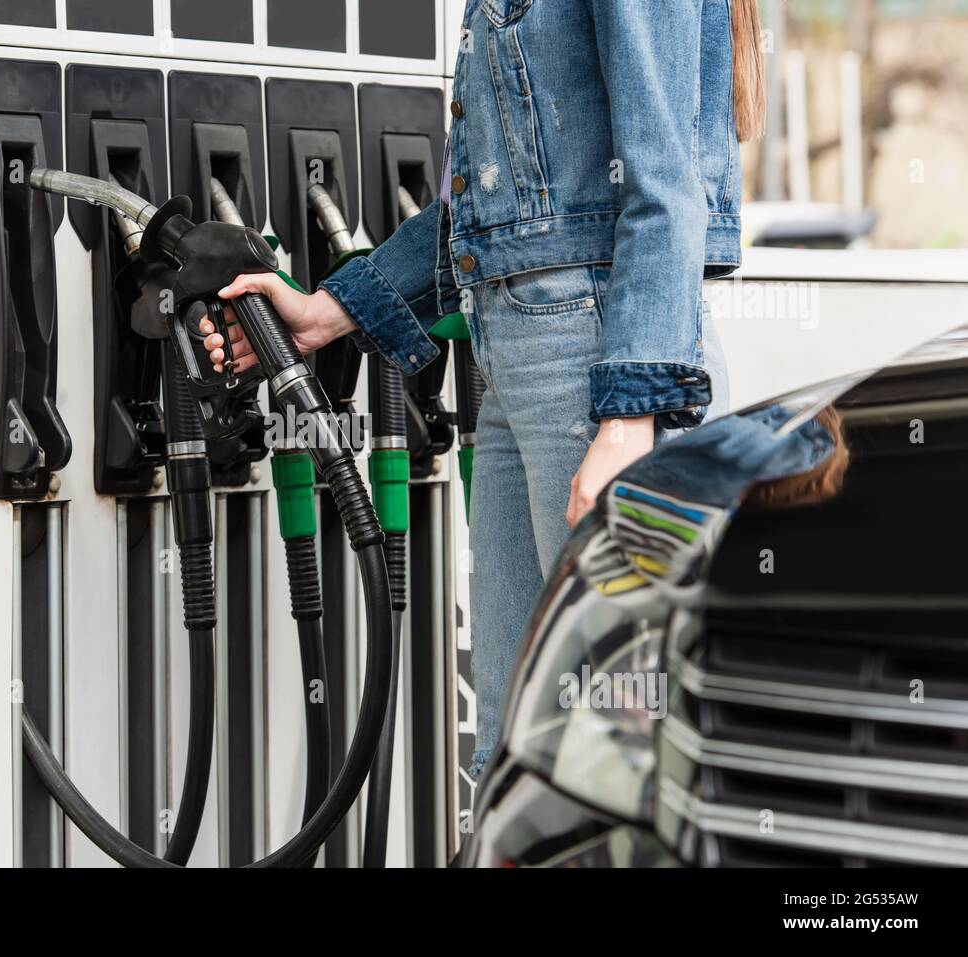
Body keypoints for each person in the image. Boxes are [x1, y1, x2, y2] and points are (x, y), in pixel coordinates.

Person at [202, 0, 766, 776]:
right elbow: (485, 220)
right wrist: (326, 312)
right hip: (516, 362)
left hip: (602, 362)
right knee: (517, 752)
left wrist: (631, 417)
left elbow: (666, 184)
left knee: (623, 744)